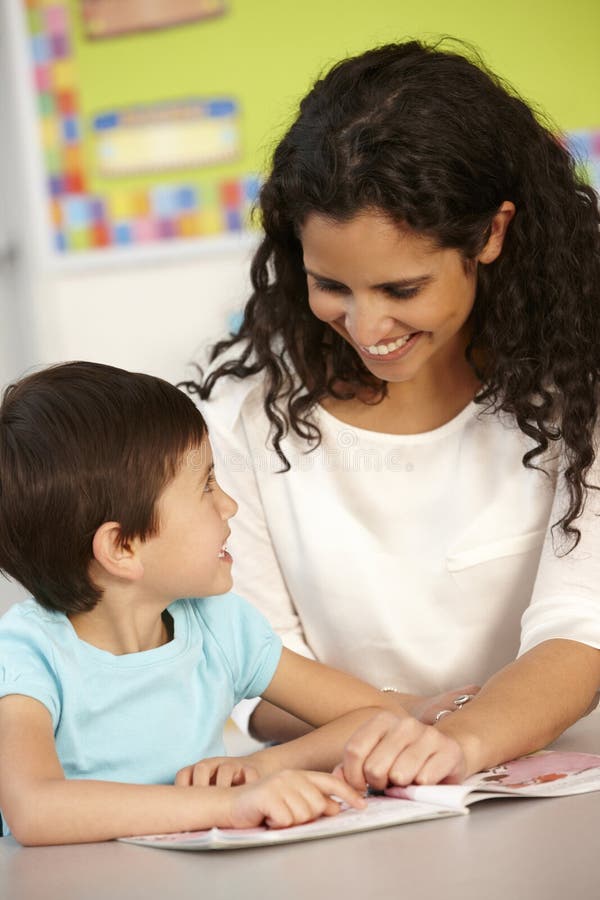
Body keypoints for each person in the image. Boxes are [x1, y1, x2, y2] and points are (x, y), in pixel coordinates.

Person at [190, 39, 600, 781]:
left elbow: (583, 624)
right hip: (347, 795)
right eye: (332, 286)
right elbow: (255, 662)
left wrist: (461, 740)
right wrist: (407, 725)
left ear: (492, 234)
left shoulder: (580, 398)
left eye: (402, 290)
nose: (367, 328)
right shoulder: (240, 425)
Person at [0, 361, 467, 847]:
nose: (229, 505)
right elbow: (35, 809)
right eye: (205, 486)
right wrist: (228, 806)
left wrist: (260, 767)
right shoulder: (27, 652)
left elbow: (377, 715)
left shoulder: (220, 627)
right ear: (123, 548)